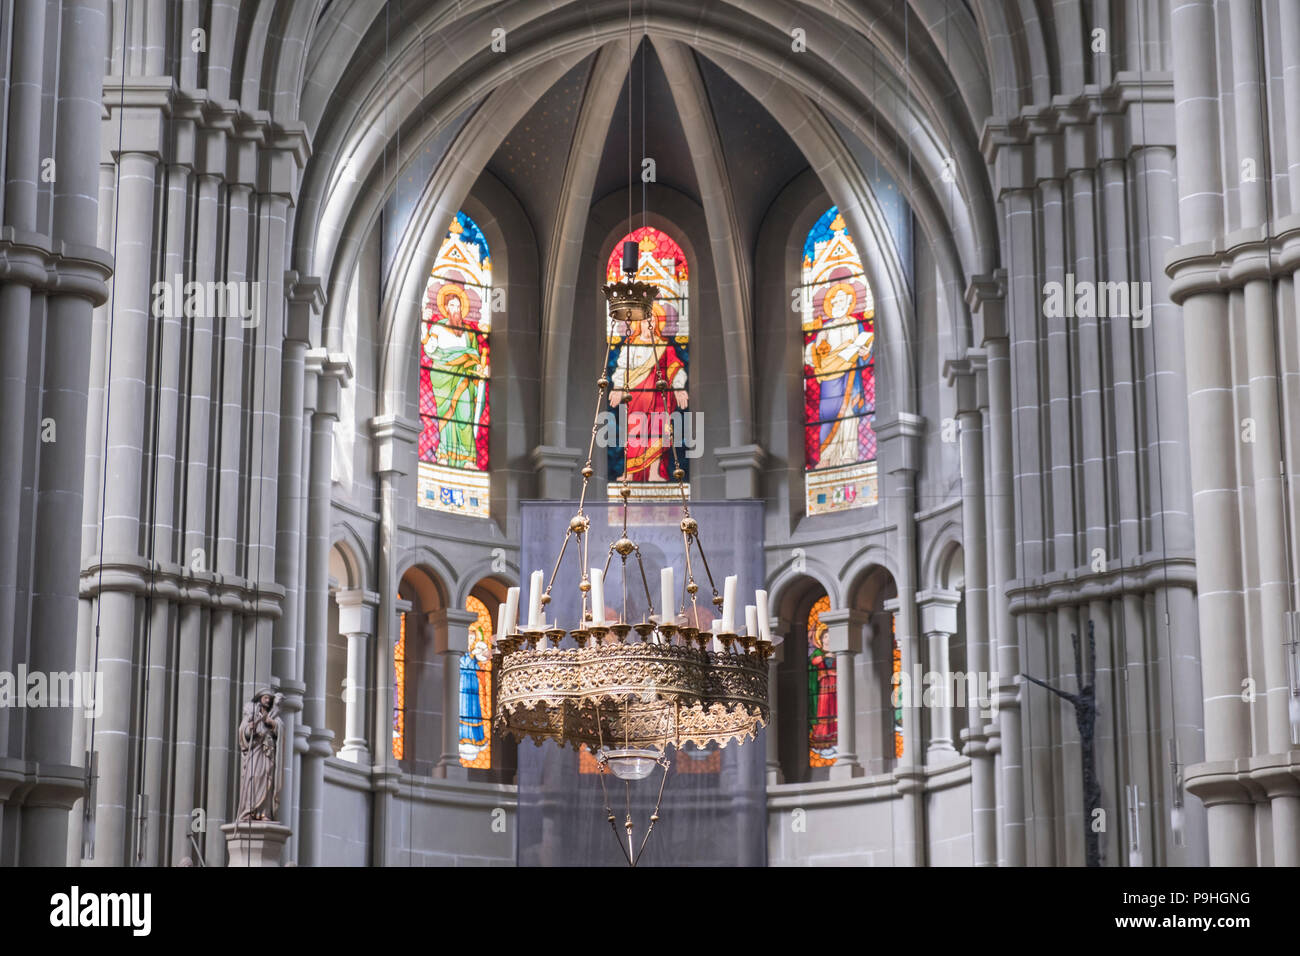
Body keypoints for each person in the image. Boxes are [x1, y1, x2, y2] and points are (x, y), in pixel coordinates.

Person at [806, 282, 872, 469]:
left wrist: (864, 351)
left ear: (849, 302)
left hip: (851, 378)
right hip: (829, 380)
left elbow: (865, 354)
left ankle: (849, 455)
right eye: (834, 302)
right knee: (828, 415)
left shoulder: (855, 324)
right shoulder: (825, 329)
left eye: (841, 301)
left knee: (849, 413)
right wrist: (820, 351)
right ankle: (826, 456)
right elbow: (815, 356)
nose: (837, 305)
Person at [236, 689, 282, 822]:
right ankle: (249, 811)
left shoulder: (273, 715)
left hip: (267, 752)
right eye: (266, 697)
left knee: (267, 778)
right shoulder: (252, 713)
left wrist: (272, 723)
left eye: (269, 698)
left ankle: (263, 812)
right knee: (253, 777)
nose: (268, 700)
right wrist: (249, 729)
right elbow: (243, 730)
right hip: (255, 751)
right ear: (260, 698)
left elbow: (281, 730)